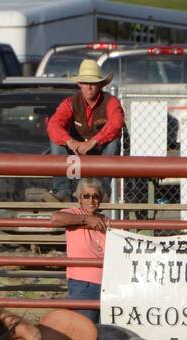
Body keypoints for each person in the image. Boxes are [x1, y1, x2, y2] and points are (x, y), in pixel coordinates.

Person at [46, 60, 123, 203]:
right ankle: (62, 191)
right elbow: (54, 124)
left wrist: (94, 142)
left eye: (93, 83)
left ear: (100, 85)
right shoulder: (70, 102)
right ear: (79, 84)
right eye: (85, 82)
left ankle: (103, 192)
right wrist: (69, 141)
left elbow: (117, 123)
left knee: (113, 144)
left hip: (101, 152)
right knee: (56, 143)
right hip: (76, 153)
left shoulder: (111, 102)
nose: (89, 87)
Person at [49, 177, 108, 311]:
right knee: (85, 328)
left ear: (100, 199)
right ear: (79, 199)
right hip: (82, 284)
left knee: (104, 330)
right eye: (86, 196)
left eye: (95, 196)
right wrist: (85, 219)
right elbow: (56, 218)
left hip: (107, 284)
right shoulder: (74, 214)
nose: (91, 201)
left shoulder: (105, 220)